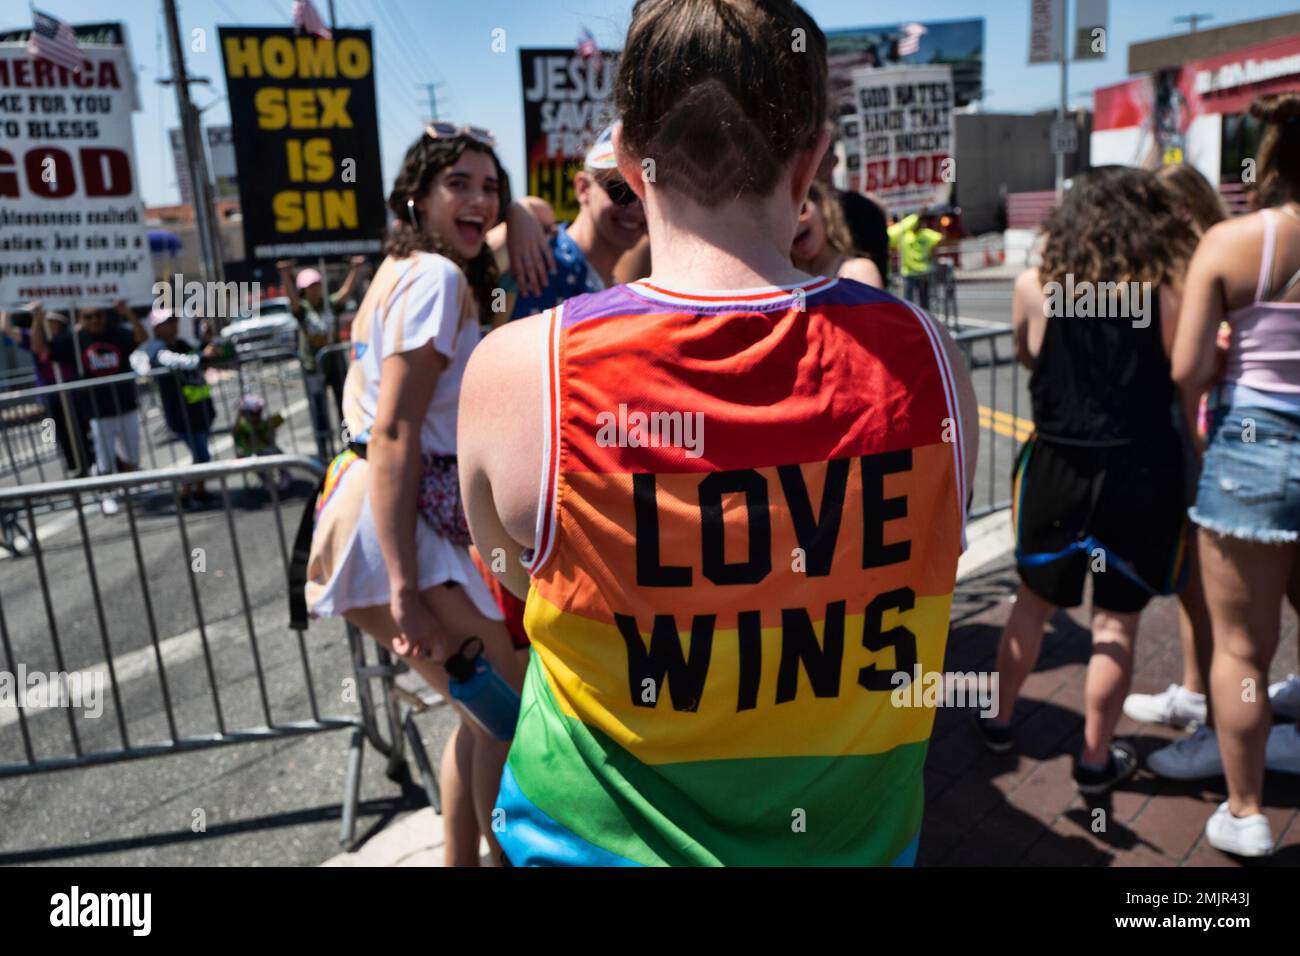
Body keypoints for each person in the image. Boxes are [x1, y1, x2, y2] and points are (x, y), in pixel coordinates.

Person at [458, 0, 977, 866]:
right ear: (810, 155)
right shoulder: (932, 362)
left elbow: (510, 578)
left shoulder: (523, 374)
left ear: (628, 155)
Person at [303, 122, 530, 867]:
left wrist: (514, 214)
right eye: (457, 184)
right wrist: (403, 586)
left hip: (382, 517)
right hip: (393, 530)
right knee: (510, 715)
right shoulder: (434, 280)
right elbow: (396, 431)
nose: (478, 199)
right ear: (417, 197)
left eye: (489, 186)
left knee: (481, 716)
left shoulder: (404, 269)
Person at [987, 167, 1199, 795]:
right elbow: (1185, 369)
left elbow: (1029, 352)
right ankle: (1094, 758)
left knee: (1031, 605)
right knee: (1115, 626)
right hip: (1139, 473)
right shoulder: (1166, 293)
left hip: (1057, 469)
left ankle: (997, 720)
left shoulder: (1037, 287)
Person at [1170, 92, 1300, 857]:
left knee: (1243, 651)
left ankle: (1245, 811)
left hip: (1252, 452)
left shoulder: (1230, 241)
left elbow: (1187, 367)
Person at [495, 120, 648, 323]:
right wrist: (518, 212)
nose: (635, 206)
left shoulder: (615, 288)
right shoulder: (532, 255)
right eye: (620, 191)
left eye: (647, 192)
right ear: (583, 188)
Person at [32, 300, 148, 514]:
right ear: (80, 319)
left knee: (133, 456)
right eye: (88, 317)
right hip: (97, 411)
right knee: (104, 460)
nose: (94, 320)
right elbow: (41, 348)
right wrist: (38, 318)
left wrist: (127, 313)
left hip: (125, 404)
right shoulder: (74, 340)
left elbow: (142, 338)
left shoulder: (117, 333)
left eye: (98, 315)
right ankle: (107, 494)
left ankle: (132, 488)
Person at [278, 257, 366, 456]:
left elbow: (345, 292)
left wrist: (355, 269)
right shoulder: (302, 309)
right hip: (313, 368)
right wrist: (284, 274)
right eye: (310, 287)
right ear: (303, 290)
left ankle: (350, 446)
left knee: (345, 408)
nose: (315, 290)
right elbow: (292, 299)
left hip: (335, 365)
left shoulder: (330, 304)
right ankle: (323, 452)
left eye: (317, 286)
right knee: (319, 412)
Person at [143, 307, 222, 505]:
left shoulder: (181, 343)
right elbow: (181, 362)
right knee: (202, 455)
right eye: (168, 322)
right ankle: (185, 493)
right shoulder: (157, 348)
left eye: (174, 321)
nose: (174, 325)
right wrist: (201, 356)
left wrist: (206, 342)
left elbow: (195, 357)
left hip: (198, 408)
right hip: (180, 413)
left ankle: (198, 492)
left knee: (201, 454)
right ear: (157, 327)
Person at [1, 305, 87, 475]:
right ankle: (73, 468)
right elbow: (6, 328)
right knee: (61, 435)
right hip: (51, 397)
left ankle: (86, 465)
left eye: (54, 322)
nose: (51, 325)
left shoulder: (67, 338)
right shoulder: (32, 337)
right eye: (48, 321)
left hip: (73, 394)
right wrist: (7, 307)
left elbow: (83, 324)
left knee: (81, 432)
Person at [792, 179, 883, 287]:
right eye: (782, 220)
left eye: (802, 209)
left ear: (821, 206)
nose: (795, 223)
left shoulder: (857, 273)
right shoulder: (776, 284)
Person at [888, 209, 944, 309]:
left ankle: (923, 320)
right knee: (908, 303)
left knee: (924, 302)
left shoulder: (926, 234)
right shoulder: (904, 235)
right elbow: (891, 235)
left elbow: (941, 239)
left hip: (923, 273)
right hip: (909, 274)